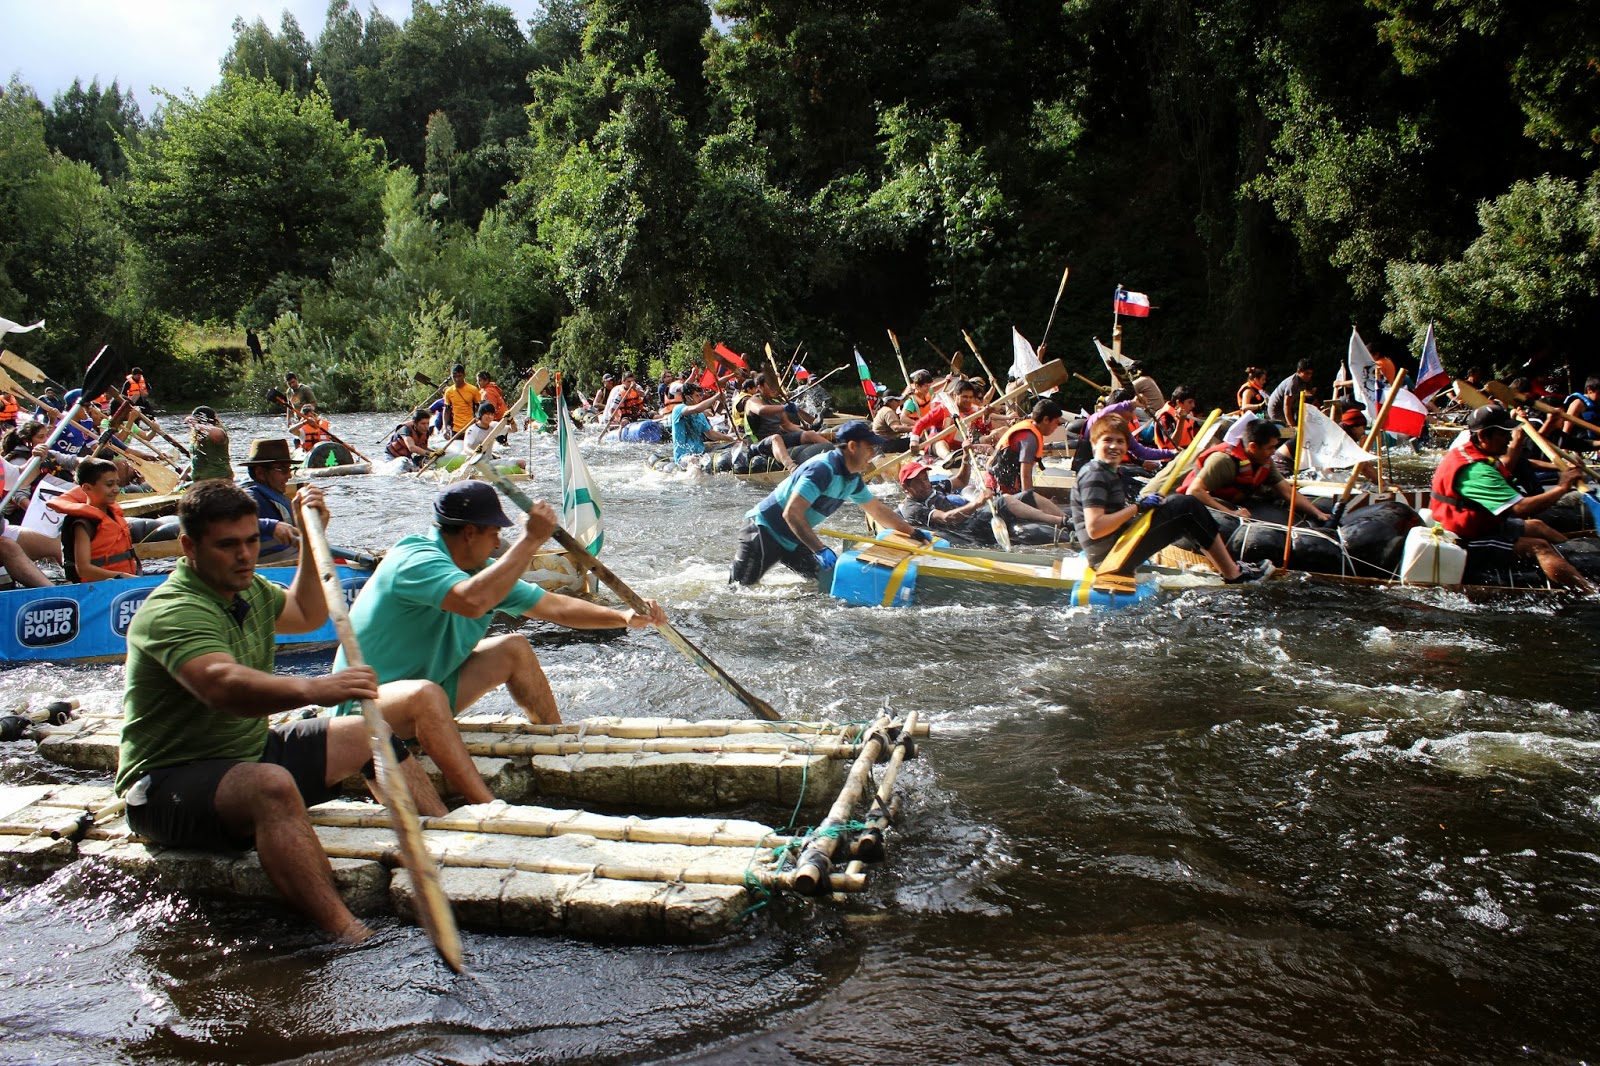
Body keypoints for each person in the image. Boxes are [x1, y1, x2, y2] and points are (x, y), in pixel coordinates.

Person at [116, 481, 442, 941]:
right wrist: (316, 687)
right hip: (166, 785)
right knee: (271, 785)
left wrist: (313, 540)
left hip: (245, 752)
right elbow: (221, 685)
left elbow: (306, 612)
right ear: (189, 546)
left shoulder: (248, 591)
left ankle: (441, 841)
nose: (244, 555)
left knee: (368, 733)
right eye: (227, 545)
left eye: (251, 541)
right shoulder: (174, 610)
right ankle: (346, 931)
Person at [335, 482, 666, 804]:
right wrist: (530, 540)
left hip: (426, 693)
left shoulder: (483, 570)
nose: (498, 543)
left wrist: (622, 617)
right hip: (364, 709)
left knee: (514, 648)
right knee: (425, 694)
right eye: (493, 533)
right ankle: (484, 804)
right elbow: (471, 600)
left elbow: (556, 607)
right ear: (469, 533)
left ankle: (558, 745)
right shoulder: (414, 558)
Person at [730, 421, 929, 586]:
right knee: (740, 592)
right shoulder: (822, 469)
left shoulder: (852, 480)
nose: (873, 453)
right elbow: (791, 513)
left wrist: (913, 532)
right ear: (852, 446)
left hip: (793, 538)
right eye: (869, 447)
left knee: (828, 584)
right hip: (763, 531)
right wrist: (820, 549)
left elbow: (878, 511)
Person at [1071, 415, 1267, 582]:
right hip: (1110, 558)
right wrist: (1138, 508)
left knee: (1177, 505)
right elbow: (1095, 528)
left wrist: (1146, 508)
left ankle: (1228, 569)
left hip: (1116, 549)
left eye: (1120, 441)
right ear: (1094, 443)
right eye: (1108, 440)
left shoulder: (1105, 471)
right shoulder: (1094, 475)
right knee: (1187, 505)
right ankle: (1233, 574)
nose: (1114, 446)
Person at [1428, 404, 1593, 591]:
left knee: (1538, 526)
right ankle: (1588, 591)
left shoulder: (1476, 451)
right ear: (1483, 436)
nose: (1508, 438)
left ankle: (1582, 561)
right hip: (1464, 540)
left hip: (1483, 526)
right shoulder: (1477, 471)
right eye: (1504, 434)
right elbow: (1521, 509)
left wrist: (1555, 464)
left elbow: (1512, 462)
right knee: (1539, 546)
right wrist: (1563, 487)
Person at [1181, 418, 1330, 523]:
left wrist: (1318, 514)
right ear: (1252, 447)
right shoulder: (1223, 461)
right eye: (1270, 448)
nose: (1273, 452)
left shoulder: (1264, 461)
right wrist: (1232, 514)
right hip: (1203, 505)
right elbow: (1194, 491)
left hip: (1237, 502)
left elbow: (1287, 491)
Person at [898, 459, 1067, 545]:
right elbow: (946, 518)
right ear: (906, 487)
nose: (925, 484)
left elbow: (961, 481)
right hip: (965, 532)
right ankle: (1063, 522)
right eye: (918, 482)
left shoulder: (932, 487)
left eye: (925, 478)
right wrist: (978, 503)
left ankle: (1067, 519)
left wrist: (965, 458)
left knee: (1027, 495)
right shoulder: (912, 508)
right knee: (1005, 500)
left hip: (973, 518)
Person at [46, 457, 140, 582]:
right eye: (109, 484)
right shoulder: (83, 524)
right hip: (99, 587)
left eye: (117, 483)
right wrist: (121, 576)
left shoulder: (113, 515)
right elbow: (83, 569)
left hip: (125, 581)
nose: (116, 489)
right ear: (87, 488)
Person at [985, 399, 1067, 519]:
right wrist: (1030, 505)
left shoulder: (1030, 429)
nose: (1056, 427)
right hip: (997, 486)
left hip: (999, 481)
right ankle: (1065, 520)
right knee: (1035, 501)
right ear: (1045, 420)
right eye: (1055, 422)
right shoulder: (1029, 439)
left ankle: (1065, 518)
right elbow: (1025, 475)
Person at [668, 380, 735, 465]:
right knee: (694, 460)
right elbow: (696, 408)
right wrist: (715, 397)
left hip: (701, 452)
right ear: (688, 397)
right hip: (684, 456)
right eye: (697, 396)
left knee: (733, 444)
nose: (700, 398)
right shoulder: (679, 409)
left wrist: (730, 439)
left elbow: (710, 434)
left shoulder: (700, 415)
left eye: (701, 395)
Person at [187, 406, 233, 483]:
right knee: (181, 490)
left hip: (219, 480)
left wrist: (196, 425)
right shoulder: (198, 435)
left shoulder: (217, 431)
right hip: (198, 481)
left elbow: (219, 435)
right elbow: (196, 458)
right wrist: (184, 474)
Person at [1554, 376, 1599, 452]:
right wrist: (1565, 454)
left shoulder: (1597, 404)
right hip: (1582, 447)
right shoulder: (1577, 404)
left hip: (1596, 445)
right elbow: (1566, 431)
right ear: (1589, 390)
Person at [1266, 359, 1317, 427]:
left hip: (1292, 407)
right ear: (1299, 371)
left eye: (1311, 373)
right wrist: (1292, 426)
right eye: (1307, 373)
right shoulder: (1292, 384)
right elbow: (1287, 406)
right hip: (1277, 409)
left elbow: (1311, 398)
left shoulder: (1307, 381)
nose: (1309, 376)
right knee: (1287, 433)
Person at [441, 364, 482, 434]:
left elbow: (480, 407)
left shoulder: (473, 389)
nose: (457, 379)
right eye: (454, 377)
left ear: (464, 375)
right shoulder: (449, 392)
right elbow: (447, 410)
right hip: (455, 429)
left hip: (471, 427)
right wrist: (445, 427)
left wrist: (479, 421)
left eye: (459, 376)